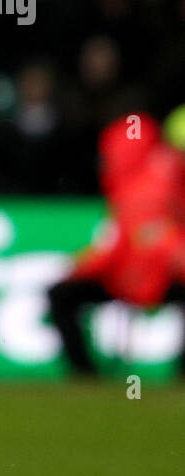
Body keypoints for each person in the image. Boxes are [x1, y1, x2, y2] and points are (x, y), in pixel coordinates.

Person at [47, 114, 185, 375]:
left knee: (61, 294)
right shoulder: (145, 184)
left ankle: (84, 374)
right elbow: (134, 242)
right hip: (146, 276)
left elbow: (139, 243)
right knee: (61, 293)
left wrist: (82, 268)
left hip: (138, 276)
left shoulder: (144, 185)